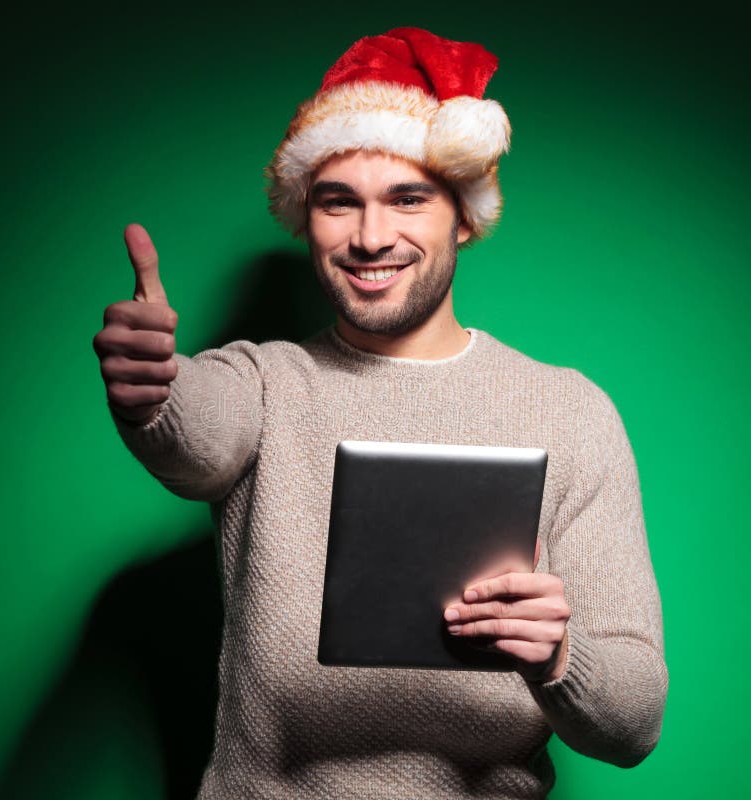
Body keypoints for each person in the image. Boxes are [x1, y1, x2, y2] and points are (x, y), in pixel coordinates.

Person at [92, 27, 667, 799]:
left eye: (408, 199)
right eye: (338, 203)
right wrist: (152, 389)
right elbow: (194, 432)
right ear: (307, 220)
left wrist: (561, 657)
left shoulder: (570, 412)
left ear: (463, 217)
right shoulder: (265, 382)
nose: (370, 237)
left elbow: (635, 723)